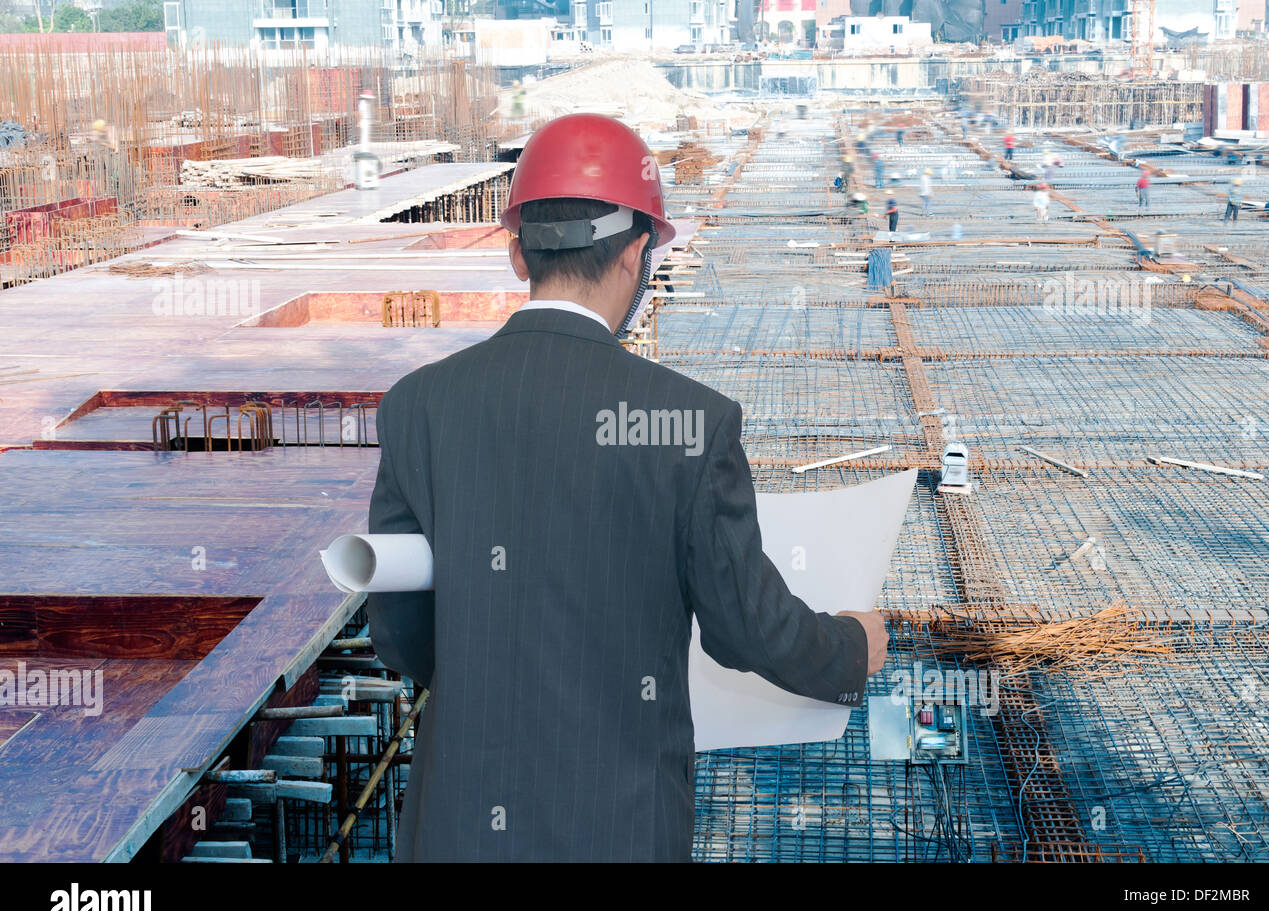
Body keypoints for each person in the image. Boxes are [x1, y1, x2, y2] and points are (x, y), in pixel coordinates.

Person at [366, 113, 888, 863]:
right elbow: (747, 626)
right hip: (614, 827)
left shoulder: (417, 406)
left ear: (519, 253)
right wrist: (847, 649)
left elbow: (402, 633)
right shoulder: (688, 423)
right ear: (637, 253)